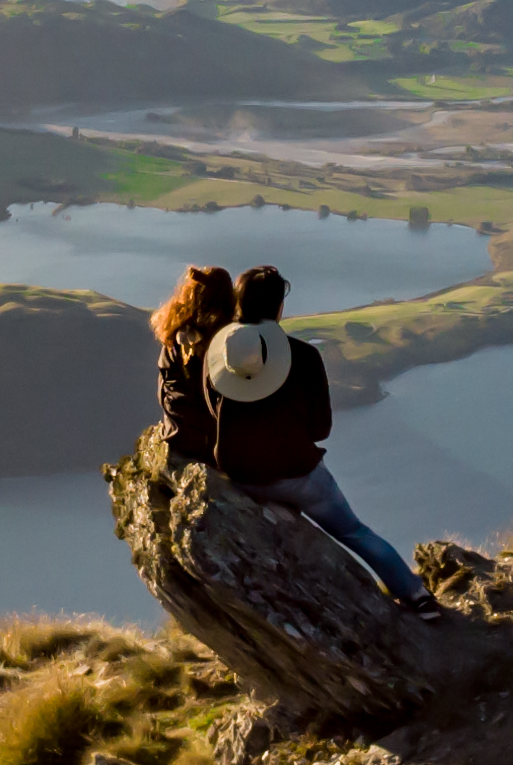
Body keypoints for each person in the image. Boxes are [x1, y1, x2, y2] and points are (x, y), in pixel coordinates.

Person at [201, 263, 438, 614]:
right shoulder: (304, 356)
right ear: (279, 307)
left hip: (241, 477)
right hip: (298, 474)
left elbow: (214, 413)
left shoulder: (219, 356)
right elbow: (320, 429)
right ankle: (416, 596)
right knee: (354, 532)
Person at [148, 264, 238, 466]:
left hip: (177, 438)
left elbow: (164, 392)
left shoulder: (173, 339)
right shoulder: (228, 344)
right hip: (212, 448)